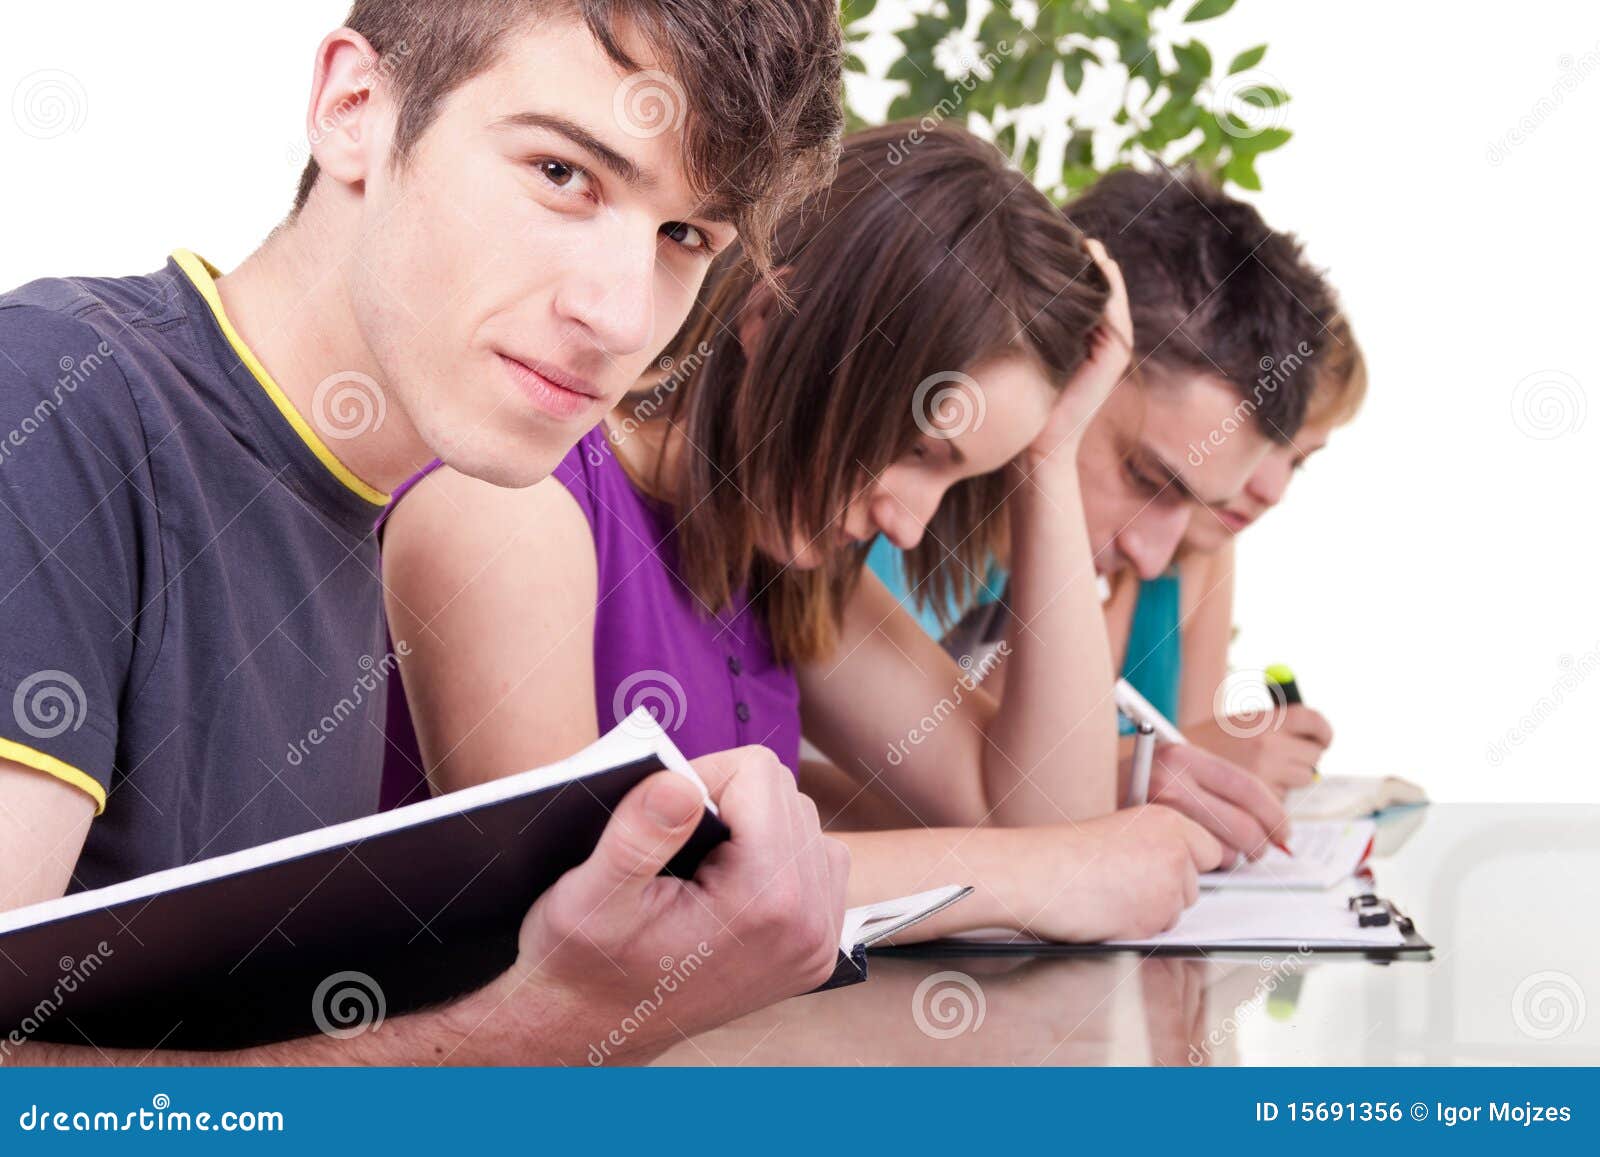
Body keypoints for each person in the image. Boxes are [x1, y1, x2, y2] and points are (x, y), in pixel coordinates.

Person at [0, 0, 854, 1066]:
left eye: (685, 237)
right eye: (561, 174)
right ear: (354, 107)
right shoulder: (51, 401)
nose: (623, 317)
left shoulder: (352, 500)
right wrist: (540, 1029)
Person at [383, 123, 1227, 946]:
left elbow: (1050, 814)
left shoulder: (773, 549)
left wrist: (1050, 455)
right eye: (918, 452)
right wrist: (1024, 879)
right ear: (773, 318)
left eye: (958, 476)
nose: (908, 520)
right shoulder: (510, 505)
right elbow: (585, 912)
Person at [864, 166, 1342, 856]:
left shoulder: (1020, 550)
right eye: (1147, 475)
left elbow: (1043, 814)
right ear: (1069, 350)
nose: (1155, 556)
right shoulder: (869, 512)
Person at [1163, 313, 1369, 794]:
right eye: (1266, 440)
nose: (1272, 490)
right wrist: (1197, 755)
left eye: (1298, 461)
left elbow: (1197, 773)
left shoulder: (1207, 552)